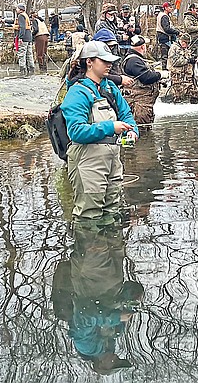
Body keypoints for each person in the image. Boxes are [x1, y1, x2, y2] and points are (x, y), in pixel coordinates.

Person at [60, 40, 139, 225]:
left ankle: (113, 250)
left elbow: (126, 113)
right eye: (104, 61)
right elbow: (76, 132)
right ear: (89, 62)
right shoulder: (77, 92)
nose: (109, 64)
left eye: (110, 61)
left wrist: (133, 130)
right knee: (90, 214)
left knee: (112, 208)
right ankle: (89, 251)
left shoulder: (109, 87)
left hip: (112, 157)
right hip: (87, 160)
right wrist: (111, 127)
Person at [52, 222, 141, 376]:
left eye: (114, 363)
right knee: (114, 231)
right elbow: (119, 304)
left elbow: (85, 314)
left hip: (91, 280)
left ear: (101, 364)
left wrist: (116, 317)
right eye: (118, 360)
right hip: (113, 279)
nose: (116, 358)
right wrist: (133, 298)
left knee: (92, 232)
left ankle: (90, 209)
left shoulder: (86, 346)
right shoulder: (113, 338)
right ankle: (111, 212)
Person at [121, 35, 168, 125]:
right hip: (138, 106)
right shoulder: (134, 60)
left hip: (142, 105)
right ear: (143, 47)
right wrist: (160, 74)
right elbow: (146, 77)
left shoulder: (134, 59)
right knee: (142, 131)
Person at [167, 33, 198, 104]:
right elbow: (174, 62)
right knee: (178, 96)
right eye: (186, 43)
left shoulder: (185, 49)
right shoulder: (174, 48)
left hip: (187, 76)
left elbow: (188, 59)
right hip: (177, 76)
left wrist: (193, 60)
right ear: (182, 41)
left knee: (195, 93)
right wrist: (187, 60)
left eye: (188, 44)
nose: (187, 45)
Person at [13, 3, 35, 76]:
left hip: (24, 37)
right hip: (29, 37)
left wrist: (20, 37)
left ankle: (22, 71)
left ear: (20, 9)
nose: (16, 9)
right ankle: (31, 70)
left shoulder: (21, 16)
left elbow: (22, 27)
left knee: (22, 54)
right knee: (29, 54)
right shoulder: (26, 15)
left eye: (17, 8)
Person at [155, 2, 179, 67]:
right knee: (165, 57)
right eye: (170, 7)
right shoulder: (164, 16)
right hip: (165, 39)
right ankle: (165, 72)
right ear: (165, 8)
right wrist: (177, 32)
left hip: (163, 38)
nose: (172, 8)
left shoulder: (161, 15)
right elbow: (167, 29)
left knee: (165, 57)